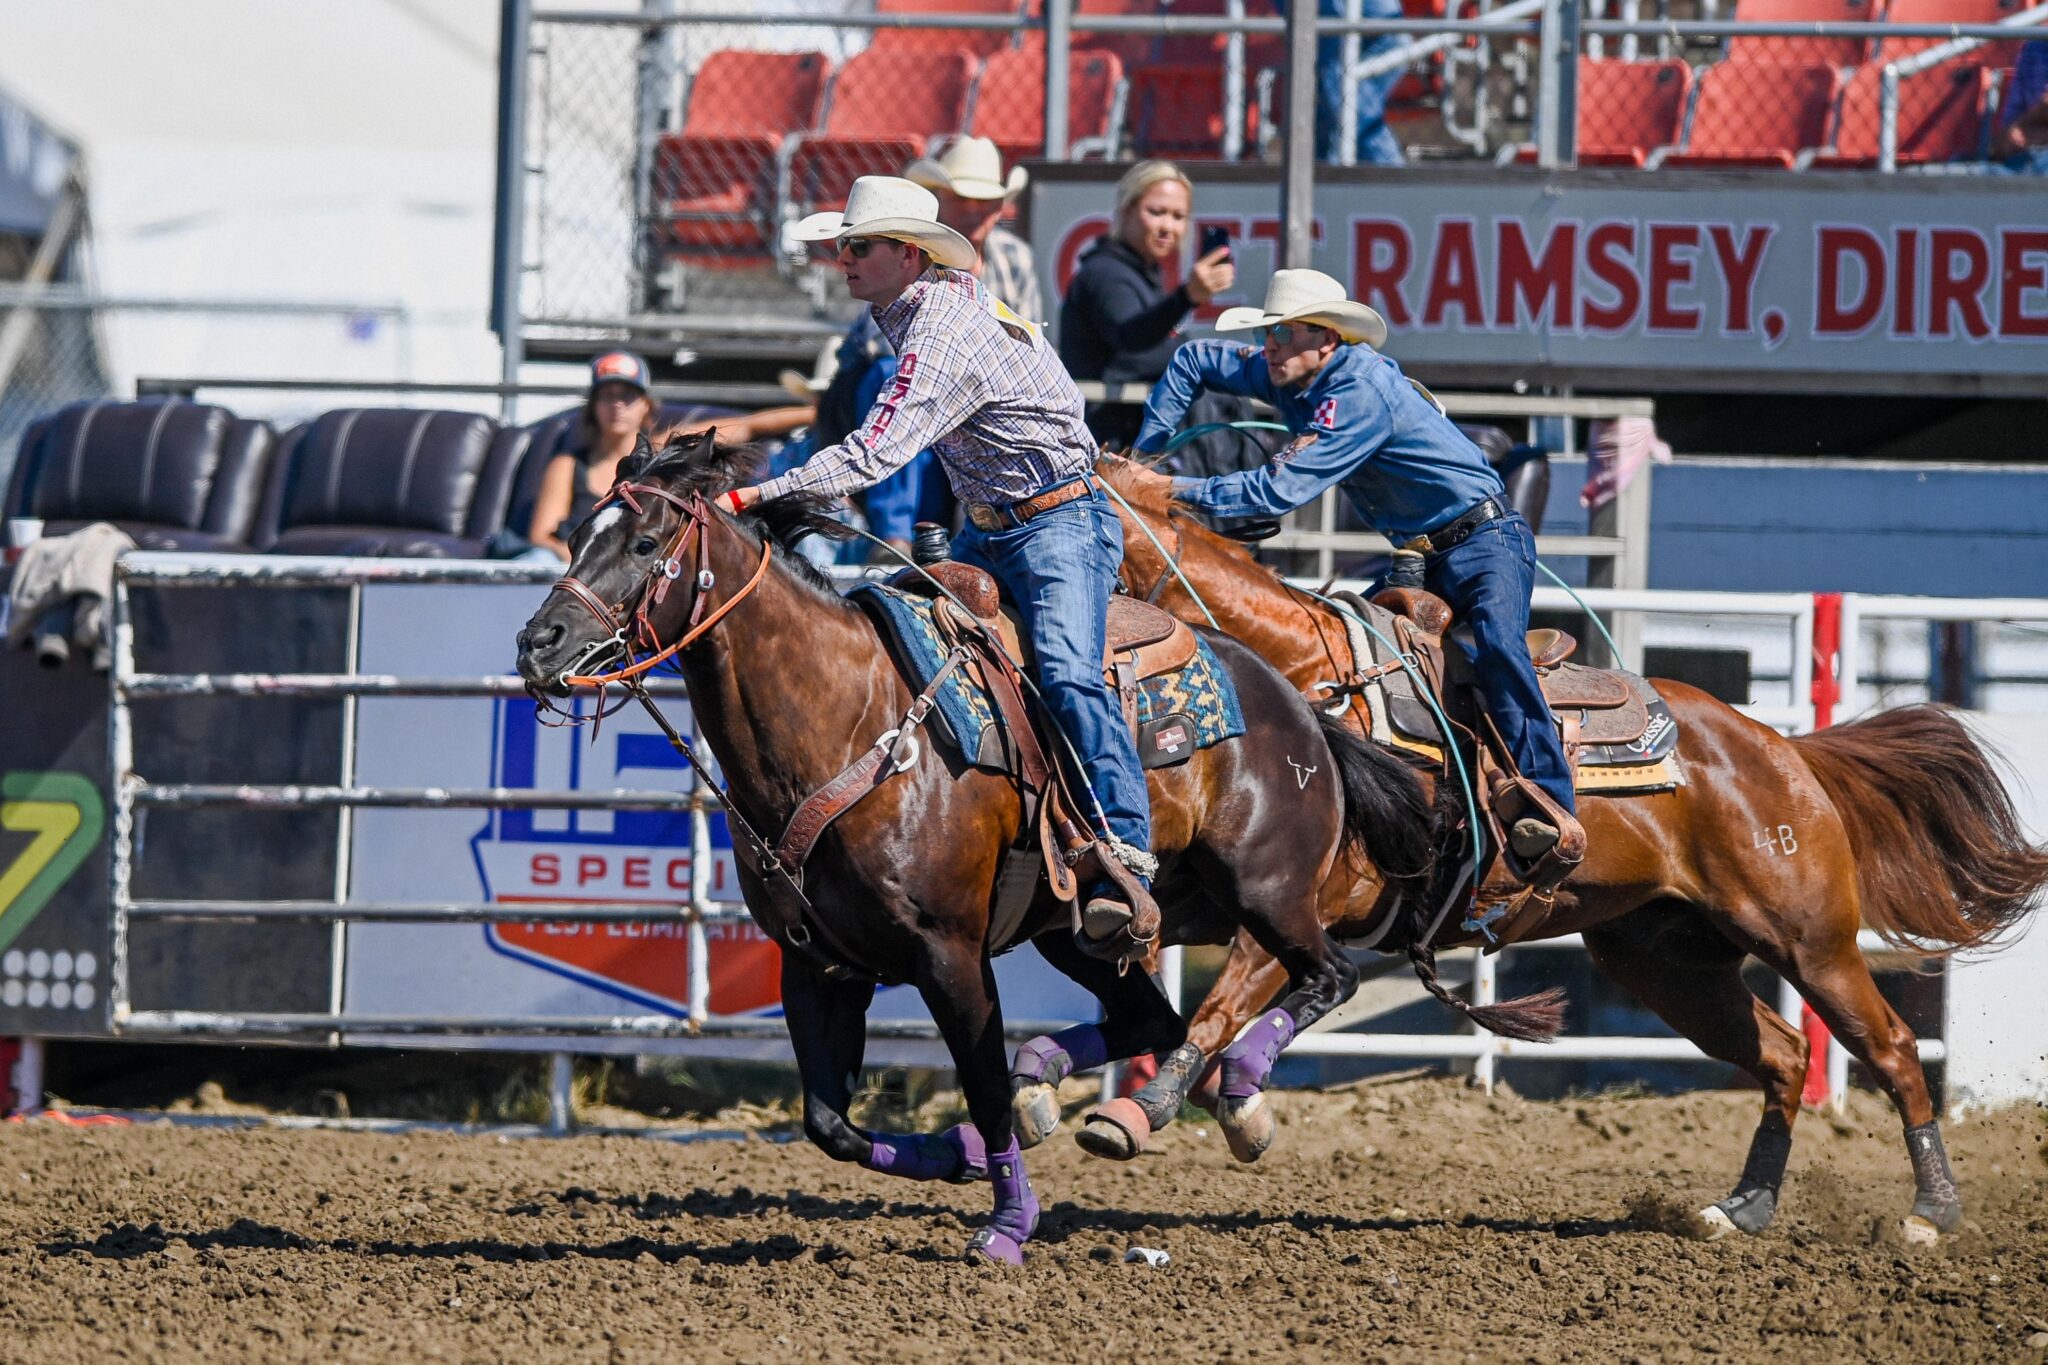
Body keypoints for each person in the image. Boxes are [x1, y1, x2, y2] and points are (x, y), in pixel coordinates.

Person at [725, 176, 1157, 952]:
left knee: (1064, 668)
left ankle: (1126, 844)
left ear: (907, 254)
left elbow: (875, 452)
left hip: (1059, 520)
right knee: (901, 644)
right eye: (842, 244)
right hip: (998, 522)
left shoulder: (942, 332)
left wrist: (760, 494)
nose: (843, 257)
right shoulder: (929, 308)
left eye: (858, 246)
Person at [1128, 269, 1582, 870]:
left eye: (1286, 336)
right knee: (1347, 648)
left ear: (1328, 341)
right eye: (1270, 335)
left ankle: (1551, 799)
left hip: (1486, 543)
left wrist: (1163, 491)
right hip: (1423, 552)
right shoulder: (1287, 366)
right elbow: (1193, 359)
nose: (1271, 348)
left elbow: (1274, 491)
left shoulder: (1359, 396)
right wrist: (1144, 456)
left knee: (1499, 645)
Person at [528, 353, 813, 562]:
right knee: (535, 560)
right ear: (592, 406)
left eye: (627, 396)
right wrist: (587, 558)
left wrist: (819, 413)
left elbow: (751, 425)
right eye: (607, 395)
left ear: (645, 406)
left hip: (639, 567)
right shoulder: (567, 464)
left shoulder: (664, 449)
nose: (616, 405)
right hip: (576, 569)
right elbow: (541, 536)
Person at [1057, 161, 1238, 462]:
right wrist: (1186, 297)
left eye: (1178, 216)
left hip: (1131, 444)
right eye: (1156, 212)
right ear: (1126, 210)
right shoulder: (1106, 272)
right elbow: (1130, 335)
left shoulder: (1142, 273)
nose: (1167, 226)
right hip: (1105, 448)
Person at [1986, 39, 2048, 174]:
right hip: (2022, 158)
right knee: (1988, 172)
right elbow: (2008, 140)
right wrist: (2025, 125)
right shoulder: (2035, 47)